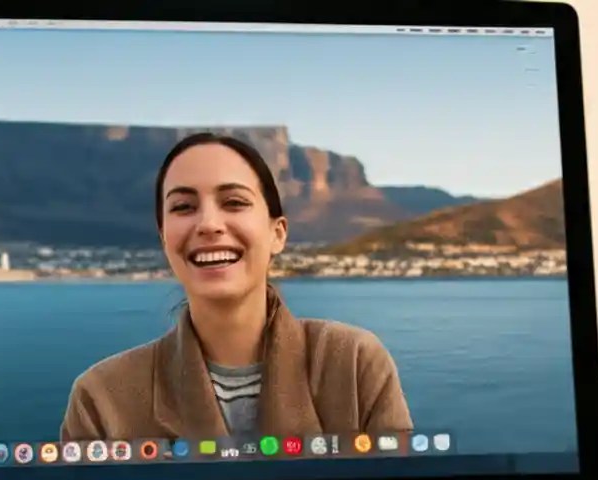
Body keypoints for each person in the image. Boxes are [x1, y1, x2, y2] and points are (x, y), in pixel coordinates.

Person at [60, 132, 411, 442]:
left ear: (278, 233)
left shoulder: (353, 363)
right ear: (164, 238)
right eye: (183, 207)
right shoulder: (101, 398)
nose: (209, 224)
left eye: (234, 203)